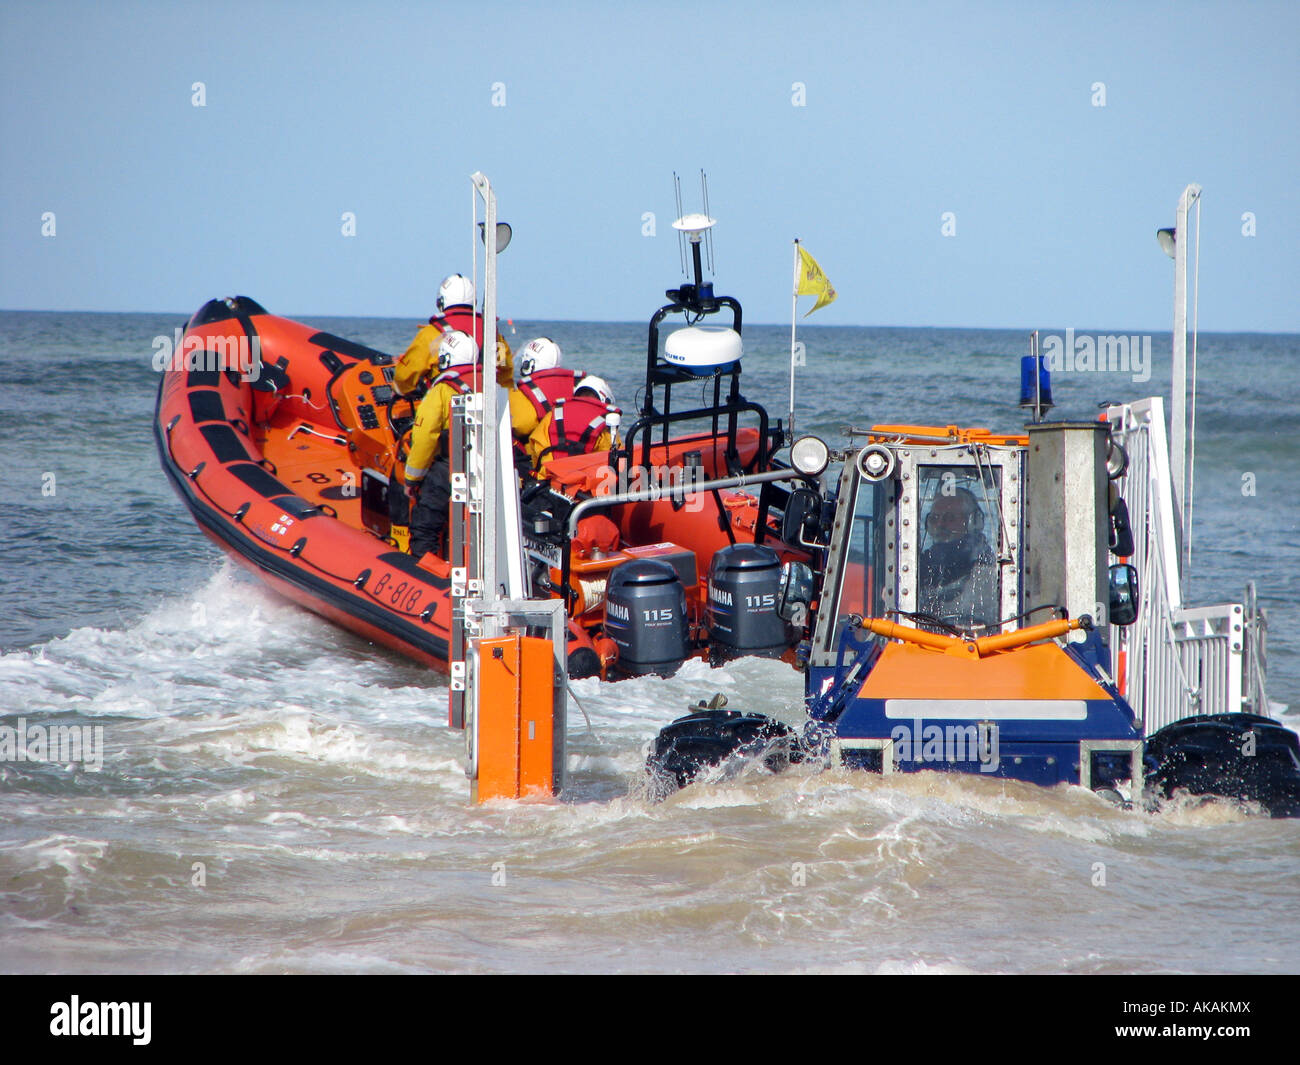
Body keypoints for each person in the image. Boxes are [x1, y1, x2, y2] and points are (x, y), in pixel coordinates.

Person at [404, 330, 480, 560]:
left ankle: (425, 571)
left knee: (425, 523)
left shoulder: (442, 390)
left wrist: (412, 479)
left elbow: (425, 436)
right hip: (490, 465)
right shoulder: (493, 384)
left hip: (453, 465)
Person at [394, 273, 513, 397]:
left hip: (445, 405)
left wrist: (400, 390)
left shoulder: (430, 334)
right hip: (489, 406)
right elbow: (505, 372)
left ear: (441, 302)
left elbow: (404, 377)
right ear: (474, 302)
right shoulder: (493, 334)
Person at [918, 486, 999, 630]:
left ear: (972, 522)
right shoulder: (923, 566)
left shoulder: (987, 568)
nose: (940, 525)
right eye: (934, 519)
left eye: (950, 518)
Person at [508, 337, 584, 467]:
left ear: (528, 364)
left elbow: (520, 425)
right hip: (582, 459)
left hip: (542, 464)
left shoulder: (524, 394)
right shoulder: (580, 386)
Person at [526, 375, 619, 474]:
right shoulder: (606, 424)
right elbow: (615, 460)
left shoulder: (552, 415)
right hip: (582, 484)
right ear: (605, 401)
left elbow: (534, 445)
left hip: (547, 479)